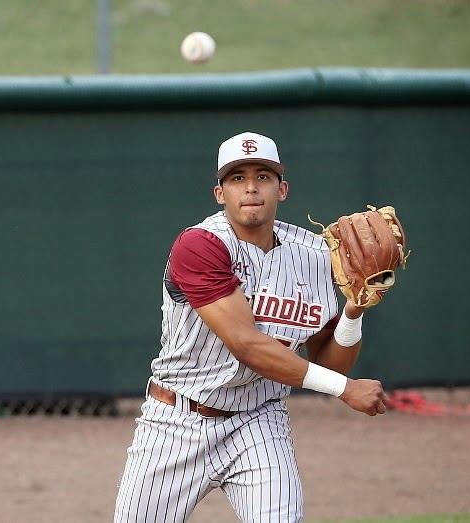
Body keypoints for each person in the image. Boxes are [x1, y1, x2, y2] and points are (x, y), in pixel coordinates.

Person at [113, 131, 389, 523]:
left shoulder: (315, 256)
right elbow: (247, 344)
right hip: (177, 419)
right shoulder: (201, 245)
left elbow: (331, 367)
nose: (251, 188)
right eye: (237, 178)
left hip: (259, 418)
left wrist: (354, 310)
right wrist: (346, 391)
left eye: (263, 176)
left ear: (283, 188)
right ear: (220, 193)